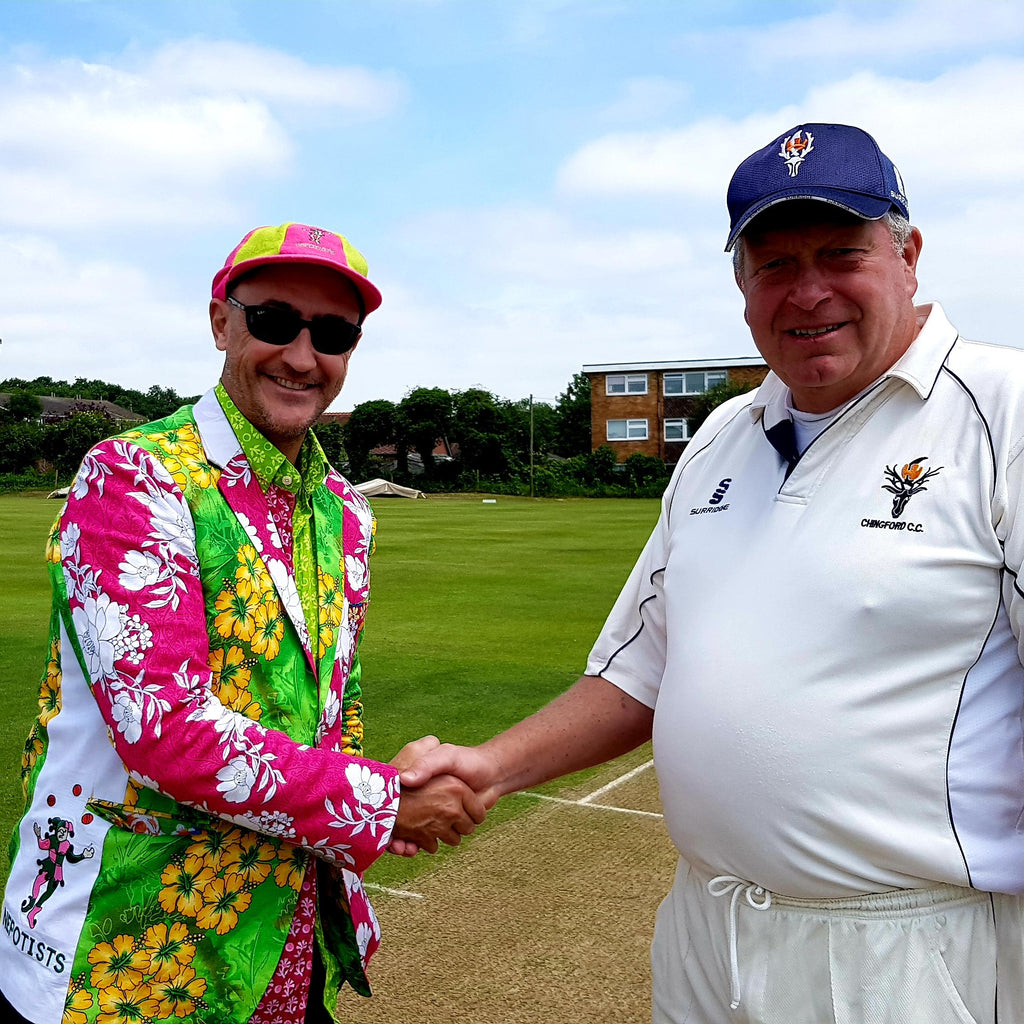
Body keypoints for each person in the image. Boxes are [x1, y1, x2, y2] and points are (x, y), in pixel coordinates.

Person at [399, 125, 1024, 1023]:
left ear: (908, 253)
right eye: (773, 264)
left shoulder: (1004, 415)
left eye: (840, 253)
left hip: (910, 953)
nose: (807, 291)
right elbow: (643, 667)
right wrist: (490, 765)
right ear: (741, 286)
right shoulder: (723, 437)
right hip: (708, 931)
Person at [0, 223, 487, 1024]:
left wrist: (378, 786)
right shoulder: (136, 475)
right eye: (273, 321)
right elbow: (168, 733)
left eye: (332, 334)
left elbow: (336, 711)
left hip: (286, 954)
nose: (302, 356)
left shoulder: (344, 513)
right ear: (222, 322)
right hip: (128, 966)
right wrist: (381, 803)